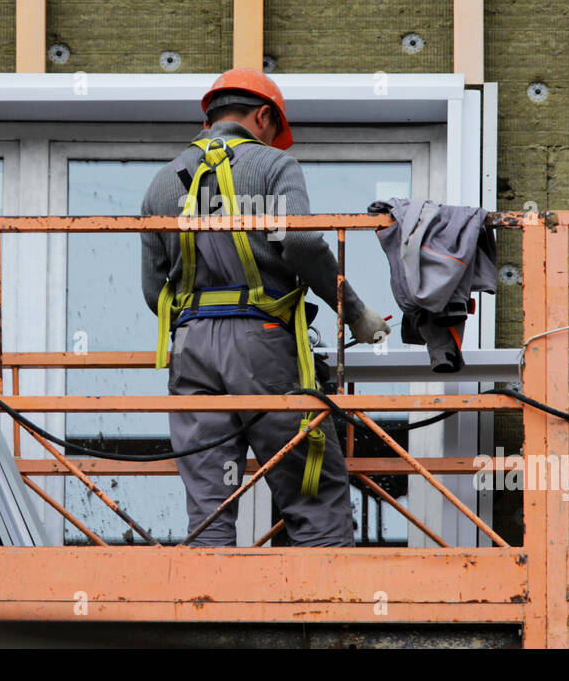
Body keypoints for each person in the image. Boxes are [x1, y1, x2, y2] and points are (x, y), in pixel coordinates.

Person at [140, 68, 390, 546]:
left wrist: (202, 325)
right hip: (263, 344)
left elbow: (155, 293)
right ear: (263, 116)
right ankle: (332, 616)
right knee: (312, 492)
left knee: (209, 507)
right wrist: (355, 313)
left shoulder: (160, 183)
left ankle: (207, 615)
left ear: (210, 117)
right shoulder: (275, 167)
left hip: (190, 349)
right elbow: (299, 241)